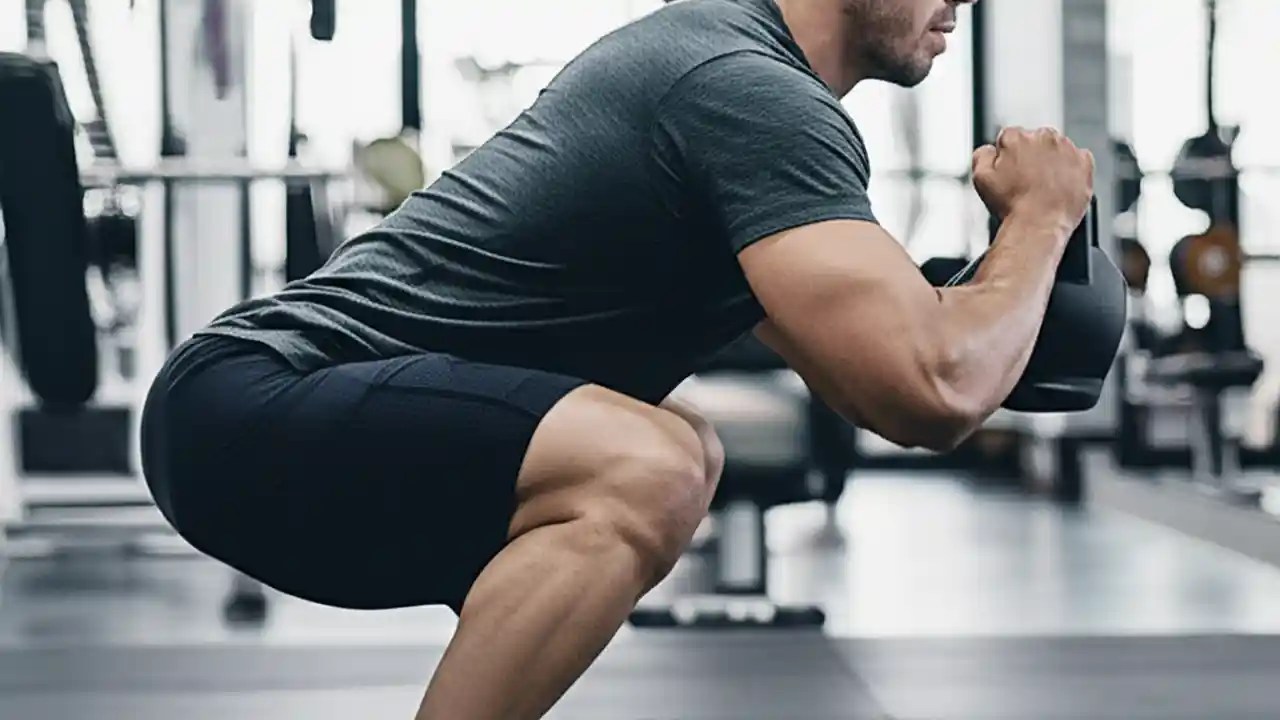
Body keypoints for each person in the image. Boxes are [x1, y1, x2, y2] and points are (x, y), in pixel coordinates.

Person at [139, 0, 1095, 717]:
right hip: (255, 405)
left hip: (265, 422)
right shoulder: (746, 89)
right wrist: (1046, 215)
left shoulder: (722, 66)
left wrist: (973, 293)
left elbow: (880, 366)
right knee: (653, 462)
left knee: (668, 446)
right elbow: (932, 391)